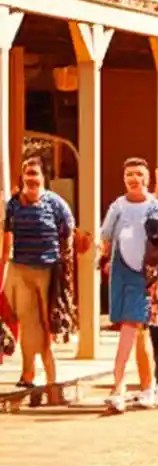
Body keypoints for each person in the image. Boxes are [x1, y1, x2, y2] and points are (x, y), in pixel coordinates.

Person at [2, 155, 75, 392]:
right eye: (28, 174)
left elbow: (68, 234)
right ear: (22, 177)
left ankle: (51, 375)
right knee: (28, 322)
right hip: (21, 269)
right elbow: (7, 238)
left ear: (43, 177)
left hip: (48, 270)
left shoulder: (55, 204)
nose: (32, 180)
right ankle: (28, 373)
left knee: (47, 322)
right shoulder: (13, 205)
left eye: (36, 174)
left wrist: (65, 268)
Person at [100, 157, 158, 413]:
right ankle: (149, 387)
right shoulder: (118, 206)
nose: (134, 179)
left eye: (138, 174)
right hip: (120, 272)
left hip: (145, 276)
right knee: (139, 332)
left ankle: (118, 388)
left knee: (130, 327)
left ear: (147, 178)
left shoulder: (154, 207)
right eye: (129, 175)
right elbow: (105, 237)